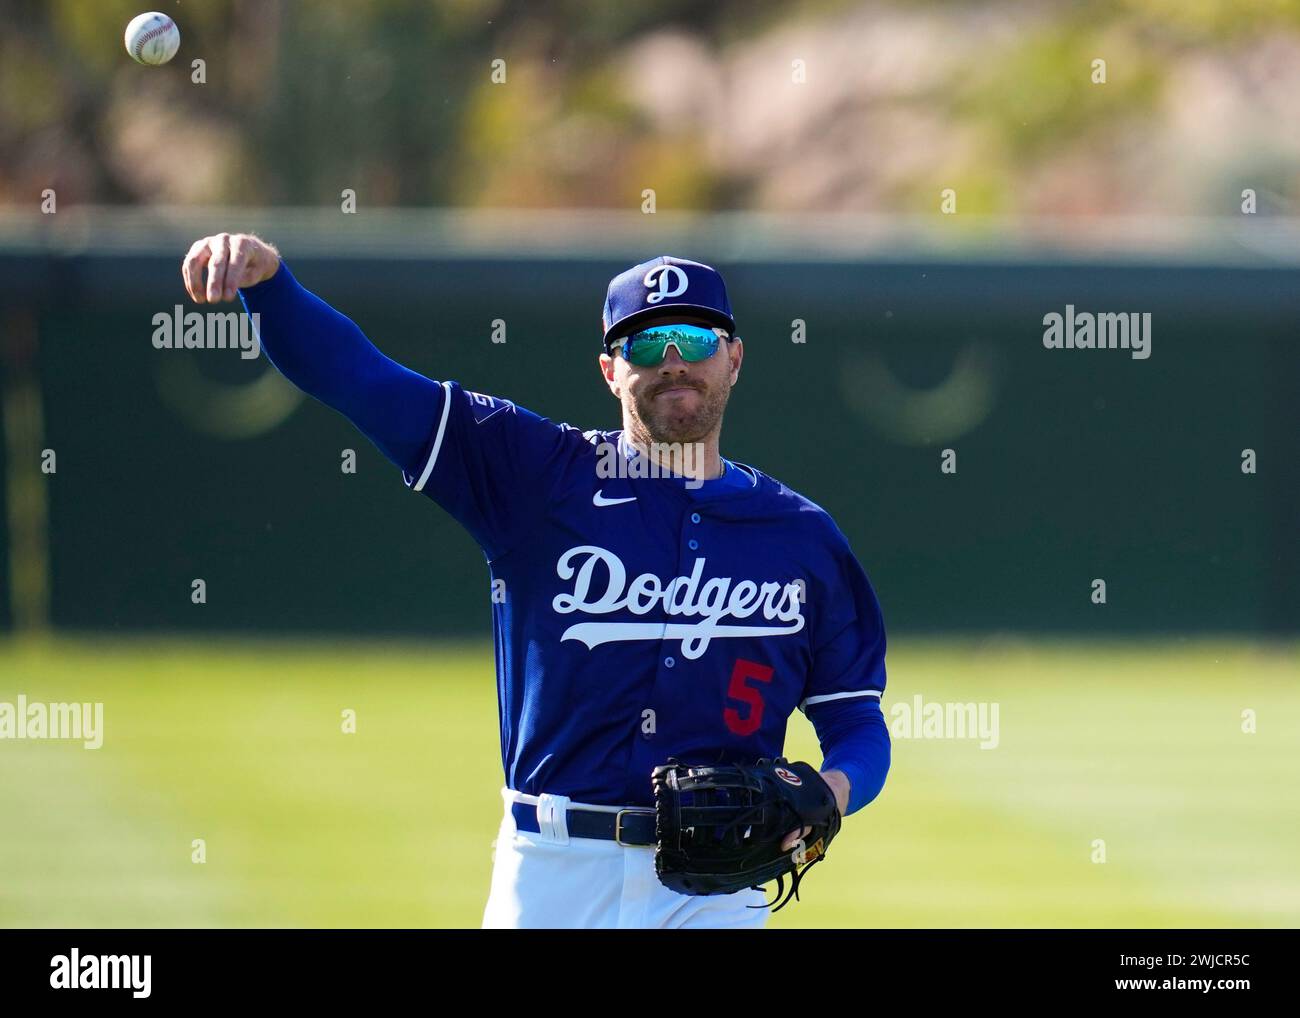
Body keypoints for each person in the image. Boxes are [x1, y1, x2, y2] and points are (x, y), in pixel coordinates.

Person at [180, 236, 891, 929]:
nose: (674, 362)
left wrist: (828, 792)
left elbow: (856, 722)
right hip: (553, 872)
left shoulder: (802, 536)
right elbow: (362, 379)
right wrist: (272, 288)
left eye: (696, 340)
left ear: (733, 359)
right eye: (646, 345)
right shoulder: (535, 476)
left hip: (715, 891)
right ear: (610, 370)